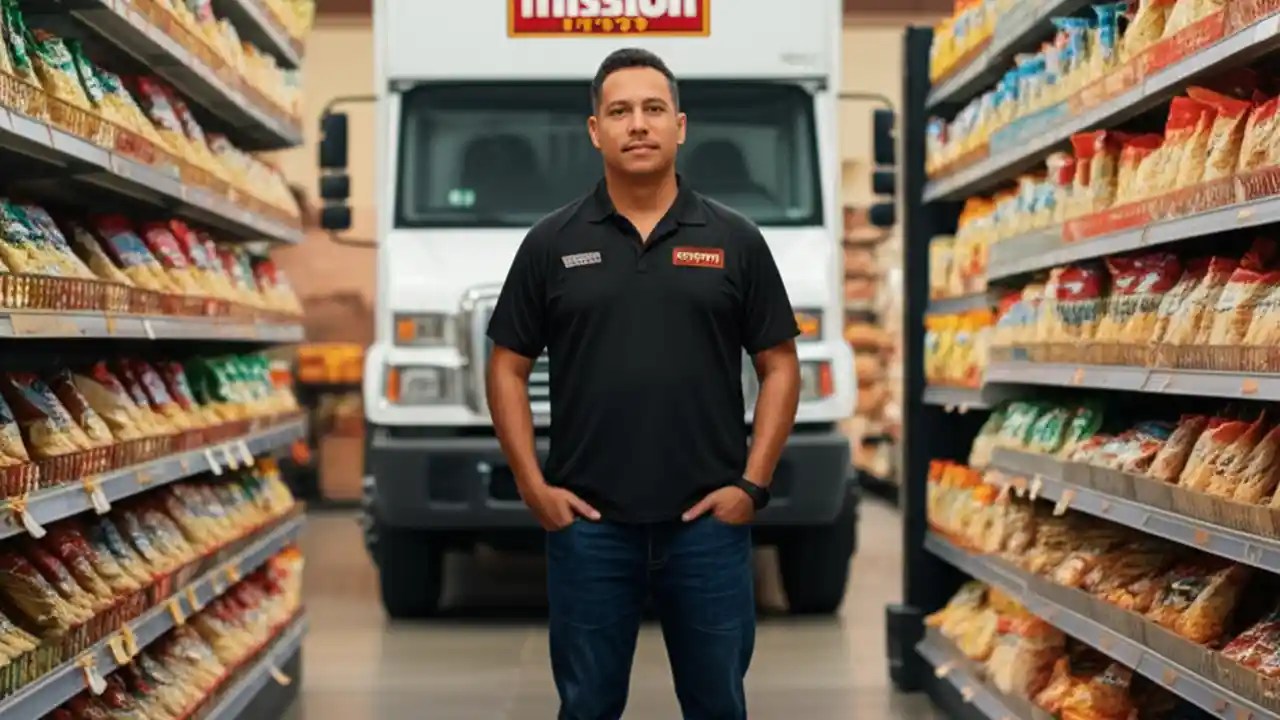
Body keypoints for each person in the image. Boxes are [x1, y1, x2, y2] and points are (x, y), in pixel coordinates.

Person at [485, 48, 801, 720]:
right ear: (594, 130)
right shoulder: (551, 243)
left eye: (653, 109)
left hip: (708, 529)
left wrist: (752, 486)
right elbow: (507, 364)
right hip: (589, 527)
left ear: (680, 126)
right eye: (619, 111)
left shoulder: (735, 240)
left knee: (718, 706)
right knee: (588, 706)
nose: (638, 124)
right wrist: (532, 486)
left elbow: (779, 365)